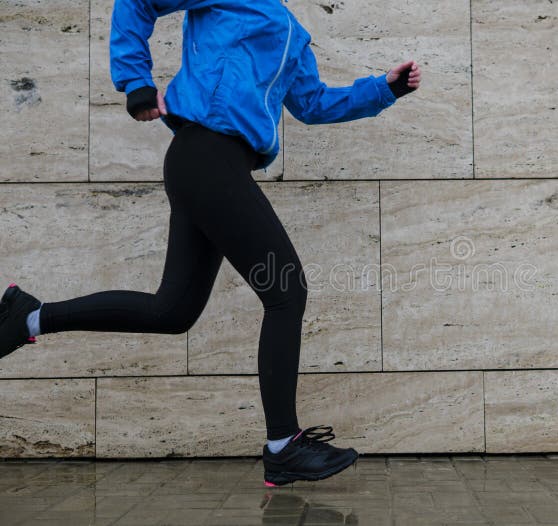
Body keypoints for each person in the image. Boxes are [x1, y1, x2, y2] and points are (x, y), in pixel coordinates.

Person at [0, 0, 421, 487]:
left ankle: (29, 316)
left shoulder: (295, 36)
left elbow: (312, 104)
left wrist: (385, 88)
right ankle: (283, 446)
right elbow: (138, 2)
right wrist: (136, 81)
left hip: (217, 166)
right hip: (205, 154)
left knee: (172, 312)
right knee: (286, 290)